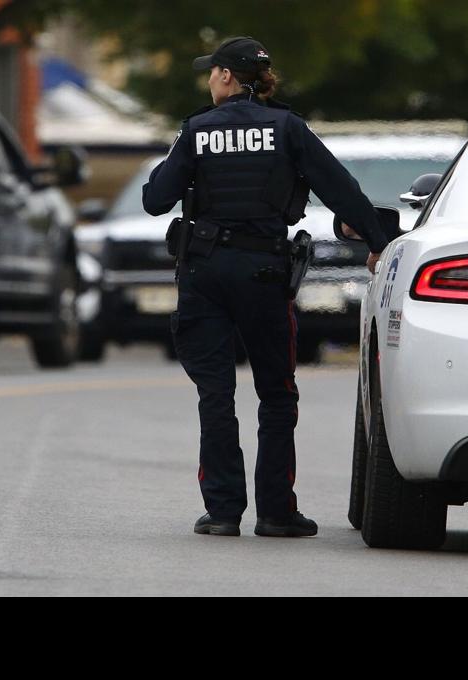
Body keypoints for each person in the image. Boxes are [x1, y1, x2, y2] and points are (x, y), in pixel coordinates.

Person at [142, 36, 392, 538]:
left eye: (212, 72)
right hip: (263, 273)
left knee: (216, 393)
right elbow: (340, 188)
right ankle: (277, 512)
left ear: (228, 77)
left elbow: (155, 199)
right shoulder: (288, 127)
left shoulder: (196, 129)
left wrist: (185, 151)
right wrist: (380, 240)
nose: (209, 81)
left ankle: (222, 512)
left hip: (205, 273)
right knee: (276, 393)